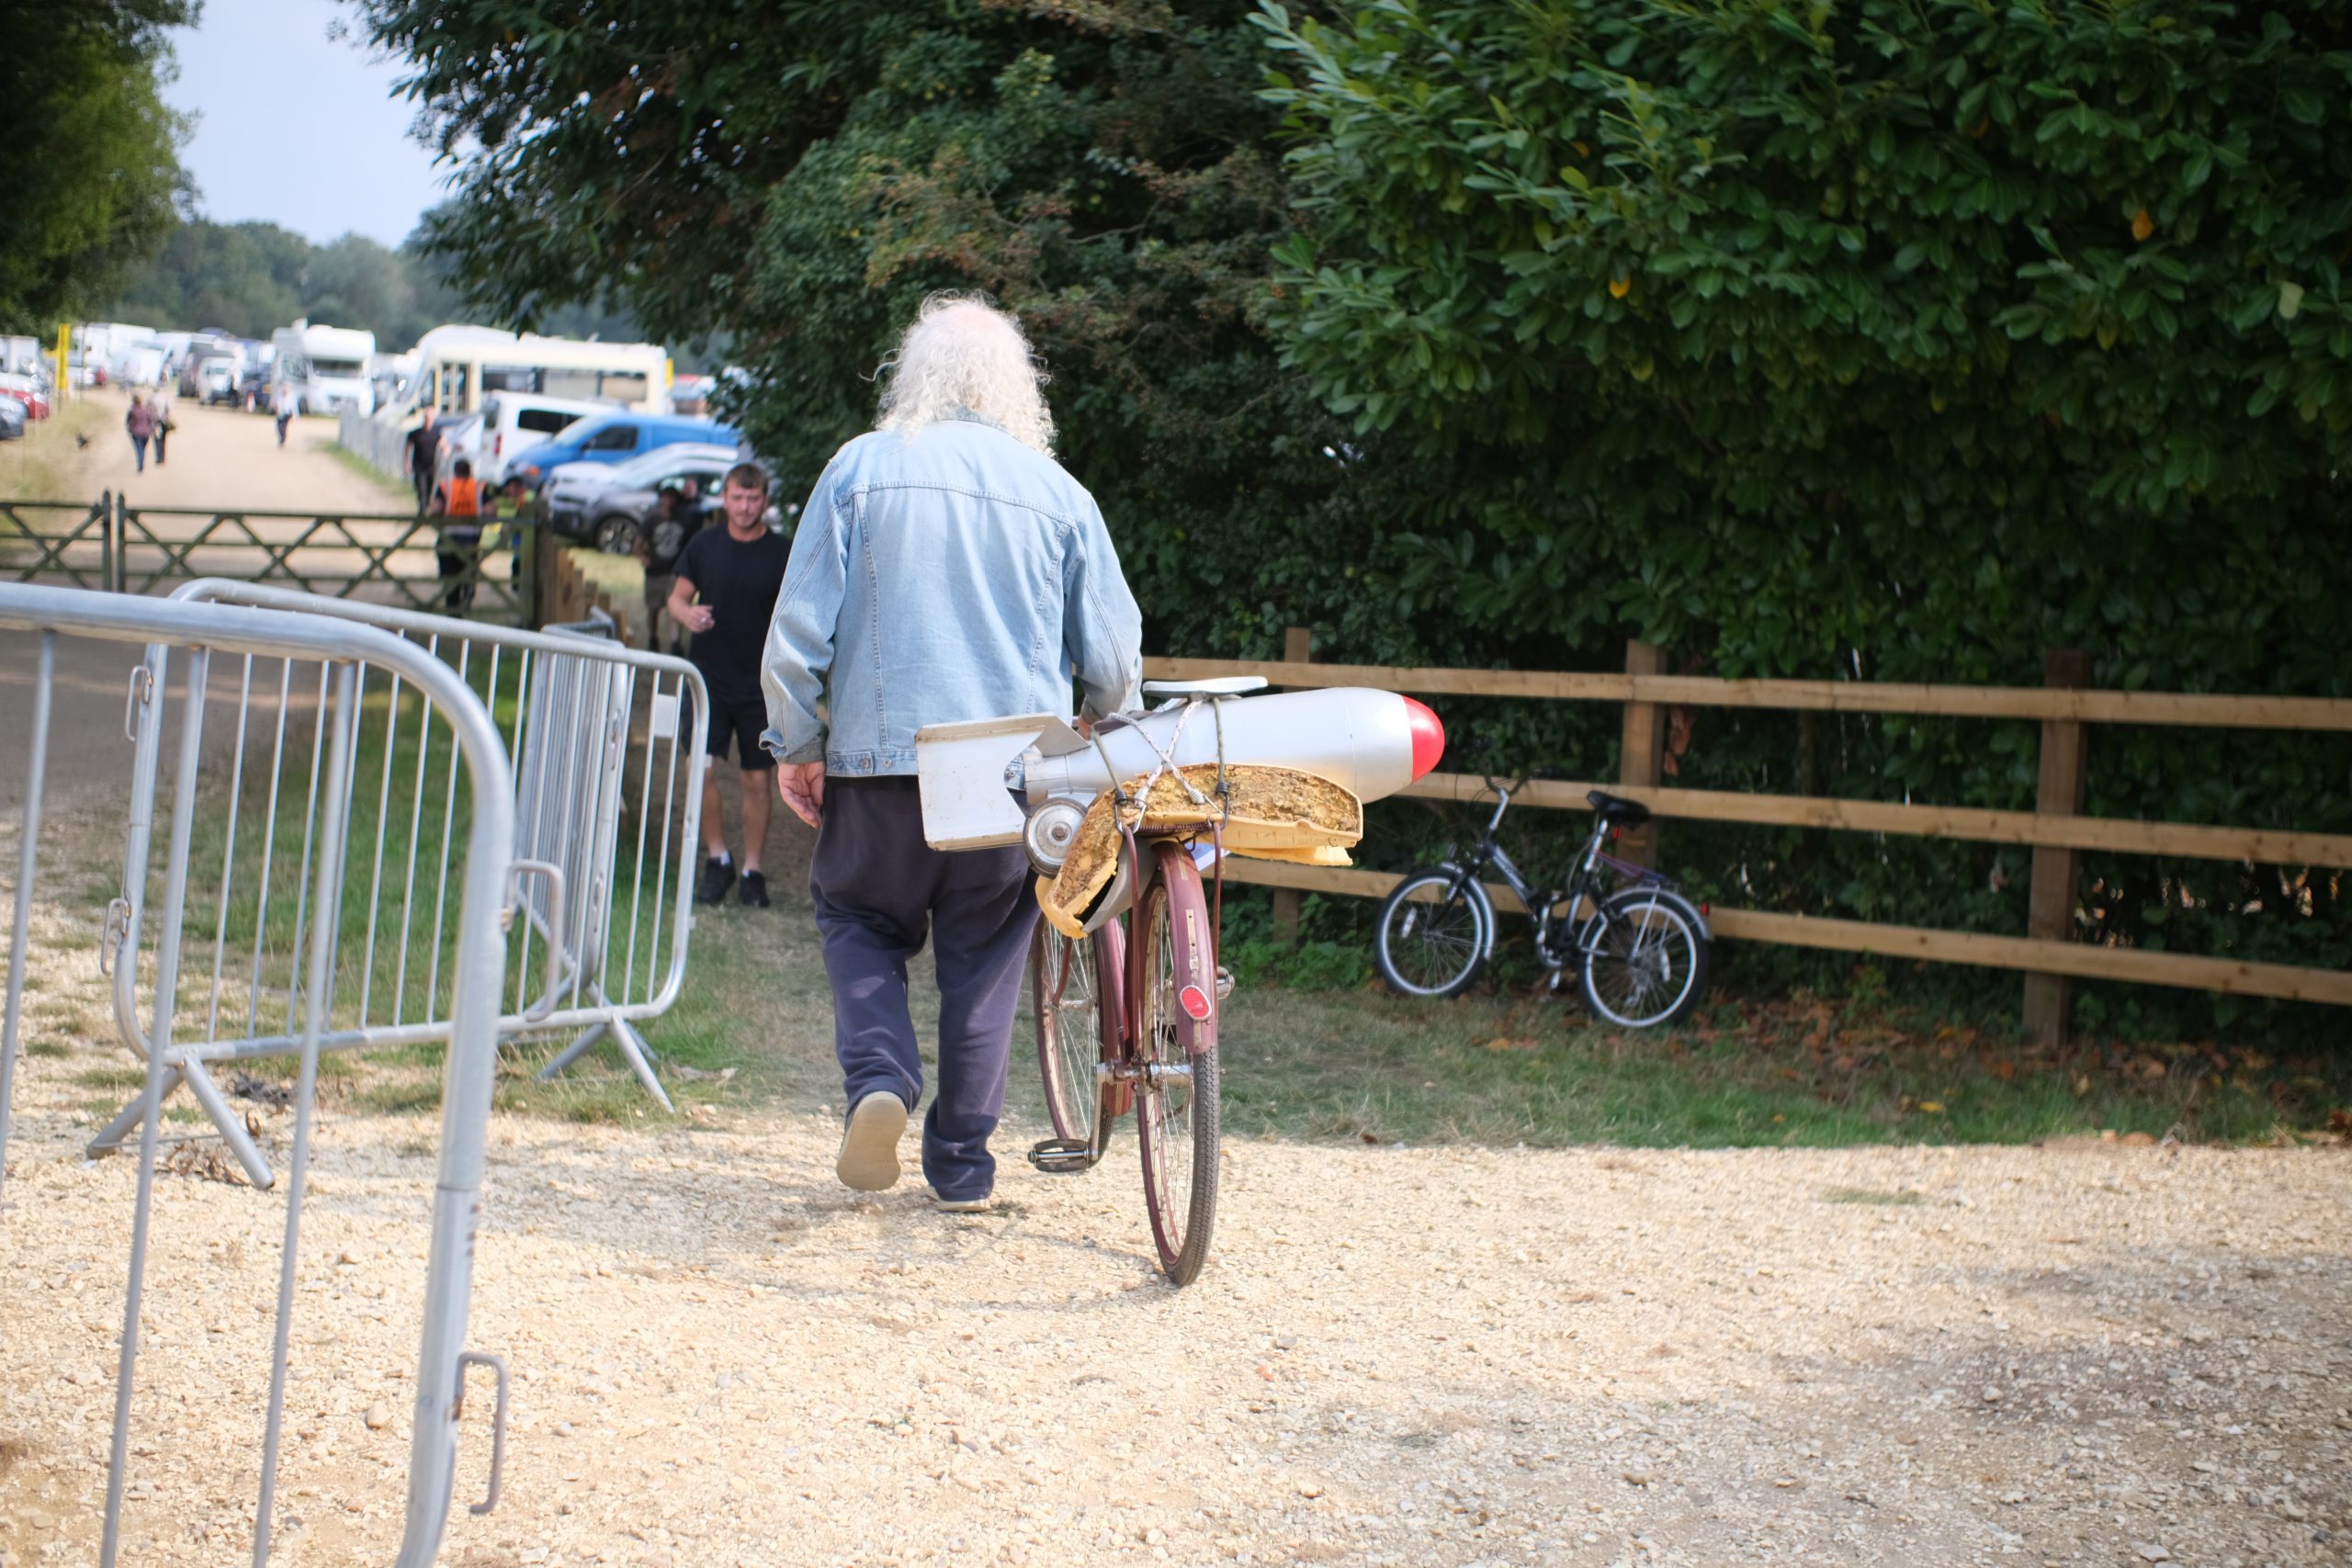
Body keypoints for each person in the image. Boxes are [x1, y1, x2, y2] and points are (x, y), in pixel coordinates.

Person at [760, 295, 1142, 1212]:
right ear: (1017, 388)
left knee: (856, 919)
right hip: (1010, 779)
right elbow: (1112, 659)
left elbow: (797, 633)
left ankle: (881, 1080)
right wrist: (1114, 732)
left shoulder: (860, 470)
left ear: (913, 373)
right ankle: (963, 1166)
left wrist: (798, 743)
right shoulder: (1059, 494)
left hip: (882, 766)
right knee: (987, 957)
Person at [669, 464, 787, 908]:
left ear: (765, 501)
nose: (744, 507)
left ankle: (751, 871)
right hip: (707, 682)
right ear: (725, 499)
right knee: (699, 771)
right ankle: (716, 858)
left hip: (759, 686)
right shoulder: (704, 544)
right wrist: (687, 614)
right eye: (737, 498)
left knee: (757, 781)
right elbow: (676, 598)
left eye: (753, 499)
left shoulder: (781, 553)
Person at [636, 484, 705, 652]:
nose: (668, 501)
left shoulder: (684, 518)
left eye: (671, 498)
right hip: (655, 571)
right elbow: (638, 543)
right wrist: (643, 557)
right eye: (665, 497)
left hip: (675, 571)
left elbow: (693, 542)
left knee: (675, 606)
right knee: (653, 608)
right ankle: (653, 638)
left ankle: (675, 643)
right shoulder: (652, 518)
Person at [432, 457, 485, 612]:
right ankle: (468, 592)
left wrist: (429, 515)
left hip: (448, 540)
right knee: (468, 571)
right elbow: (490, 509)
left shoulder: (445, 486)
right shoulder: (478, 487)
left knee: (450, 576)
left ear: (455, 471)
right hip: (471, 541)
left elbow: (436, 508)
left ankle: (453, 609)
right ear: (470, 471)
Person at [402, 408, 442, 513]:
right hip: (419, 467)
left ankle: (426, 509)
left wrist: (446, 449)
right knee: (421, 490)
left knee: (429, 490)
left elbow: (443, 443)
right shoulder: (416, 434)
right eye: (427, 418)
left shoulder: (436, 432)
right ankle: (422, 511)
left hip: (431, 466)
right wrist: (406, 463)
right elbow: (407, 447)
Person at [124, 392, 158, 472]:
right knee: (142, 449)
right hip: (146, 433)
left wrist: (130, 429)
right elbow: (151, 421)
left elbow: (127, 422)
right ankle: (141, 463)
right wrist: (152, 430)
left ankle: (140, 465)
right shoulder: (146, 410)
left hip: (136, 433)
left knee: (139, 449)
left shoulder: (131, 411)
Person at [150, 383, 174, 467]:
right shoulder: (165, 397)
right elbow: (169, 409)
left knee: (156, 440)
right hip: (164, 421)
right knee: (163, 440)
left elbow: (148, 410)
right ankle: (163, 458)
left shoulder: (152, 398)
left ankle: (158, 458)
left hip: (155, 421)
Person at [272, 382, 298, 446]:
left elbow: (294, 407)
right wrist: (277, 410)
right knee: (279, 427)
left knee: (284, 427)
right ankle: (282, 438)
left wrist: (294, 416)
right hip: (280, 414)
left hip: (287, 414)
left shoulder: (292, 396)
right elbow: (276, 404)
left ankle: (283, 439)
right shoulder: (279, 395)